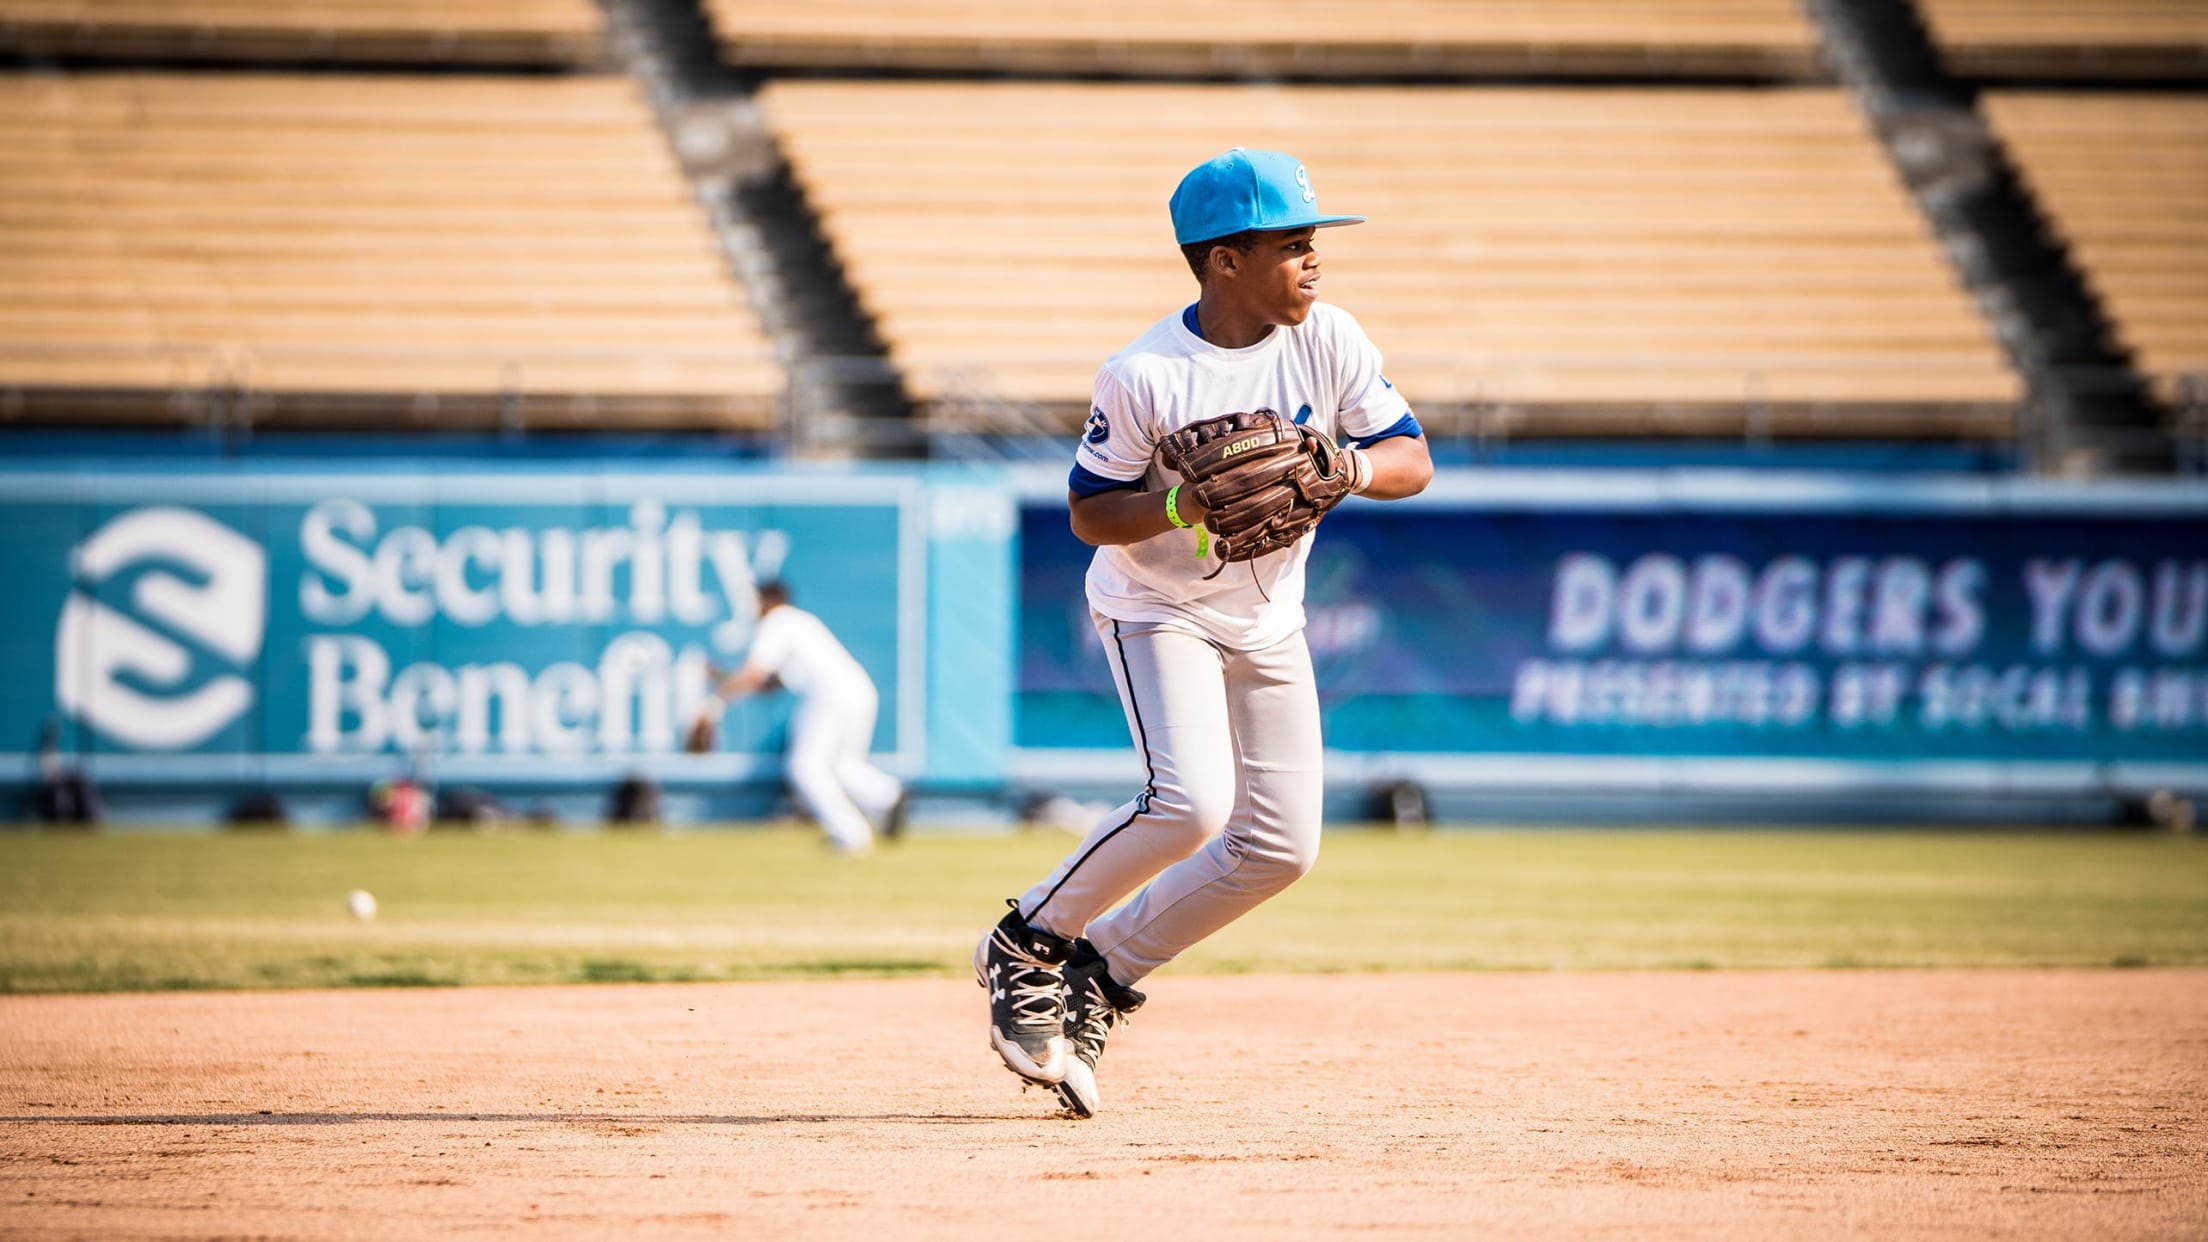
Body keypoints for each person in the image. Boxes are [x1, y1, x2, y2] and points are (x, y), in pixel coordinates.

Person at [974, 148, 1434, 1116]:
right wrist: (1182, 502)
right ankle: (1028, 941)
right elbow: (1091, 514)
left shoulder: (1332, 338)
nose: (1315, 262)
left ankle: (1101, 972)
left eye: (1315, 245)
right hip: (1158, 608)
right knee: (1189, 804)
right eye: (1292, 245)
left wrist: (1347, 470)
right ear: (1224, 259)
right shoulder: (1144, 373)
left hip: (1268, 618)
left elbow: (1412, 458)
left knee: (1279, 848)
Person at [700, 580, 907, 855]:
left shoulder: (778, 621)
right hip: (858, 690)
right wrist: (723, 680)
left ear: (768, 600)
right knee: (843, 765)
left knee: (804, 766)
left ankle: (851, 835)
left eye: (754, 601)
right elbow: (769, 685)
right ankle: (887, 795)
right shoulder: (799, 622)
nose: (752, 609)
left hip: (829, 695)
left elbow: (754, 675)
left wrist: (714, 703)